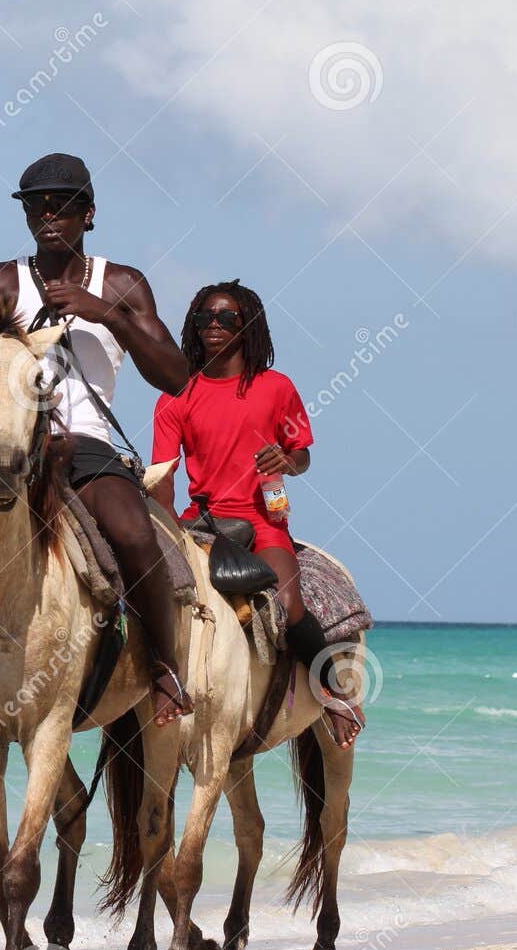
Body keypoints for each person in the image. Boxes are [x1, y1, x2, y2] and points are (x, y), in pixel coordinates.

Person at [0, 152, 193, 741]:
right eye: (37, 205)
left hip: (86, 446)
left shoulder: (123, 282)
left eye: (65, 204)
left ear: (90, 213)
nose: (50, 214)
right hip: (5, 450)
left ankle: (164, 671)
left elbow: (175, 376)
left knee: (135, 539)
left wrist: (106, 315)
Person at [149, 279, 364, 747]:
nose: (214, 326)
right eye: (205, 317)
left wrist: (288, 462)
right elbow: (163, 476)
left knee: (289, 606)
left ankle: (334, 693)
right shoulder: (175, 395)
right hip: (201, 522)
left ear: (247, 325)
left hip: (265, 521)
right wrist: (166, 535)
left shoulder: (276, 388)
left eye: (226, 317)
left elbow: (301, 454)